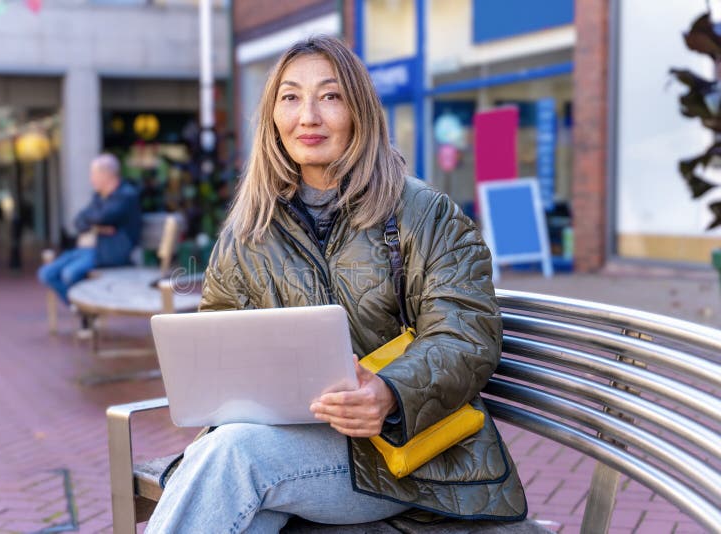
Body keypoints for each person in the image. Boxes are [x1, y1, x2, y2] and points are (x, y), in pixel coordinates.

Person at [147, 36, 527, 532]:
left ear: (359, 112)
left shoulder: (423, 213)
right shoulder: (249, 230)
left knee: (234, 459)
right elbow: (220, 337)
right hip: (283, 440)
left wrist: (389, 392)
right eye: (290, 97)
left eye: (330, 96)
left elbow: (467, 334)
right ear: (272, 117)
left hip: (406, 454)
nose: (308, 117)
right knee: (241, 497)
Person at [37, 153, 141, 304]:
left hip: (110, 252)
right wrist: (99, 228)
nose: (91, 179)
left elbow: (103, 217)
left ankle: (86, 308)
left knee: (69, 274)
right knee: (46, 273)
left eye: (94, 174)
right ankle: (80, 307)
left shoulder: (126, 195)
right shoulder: (98, 196)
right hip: (88, 249)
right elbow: (78, 221)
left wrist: (94, 224)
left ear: (106, 175)